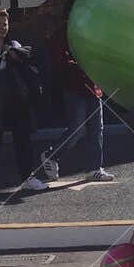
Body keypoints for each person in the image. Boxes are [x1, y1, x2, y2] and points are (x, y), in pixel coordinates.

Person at [0, 9, 48, 193]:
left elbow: (25, 63)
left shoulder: (14, 44)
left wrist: (13, 57)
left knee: (23, 138)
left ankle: (28, 177)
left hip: (16, 97)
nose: (2, 28)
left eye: (5, 24)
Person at [50, 21, 113, 181]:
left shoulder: (91, 31)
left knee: (96, 128)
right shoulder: (61, 34)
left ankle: (94, 168)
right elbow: (62, 62)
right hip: (74, 87)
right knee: (78, 129)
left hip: (92, 86)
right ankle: (51, 155)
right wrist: (86, 65)